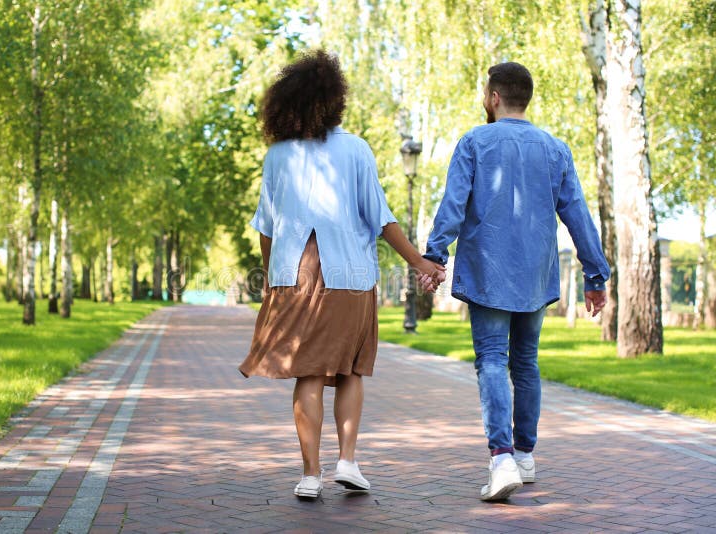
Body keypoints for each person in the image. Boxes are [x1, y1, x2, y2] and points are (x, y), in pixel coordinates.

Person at [239, 50, 445, 499]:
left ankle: (310, 474)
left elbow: (266, 228)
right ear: (335, 99)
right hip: (349, 273)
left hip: (294, 275)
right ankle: (347, 462)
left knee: (308, 373)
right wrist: (419, 262)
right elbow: (381, 218)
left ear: (287, 103)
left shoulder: (277, 156)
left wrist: (272, 283)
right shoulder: (354, 149)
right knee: (351, 370)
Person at [419, 62, 610, 501]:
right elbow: (577, 215)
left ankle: (502, 457)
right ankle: (524, 454)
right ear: (526, 98)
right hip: (535, 273)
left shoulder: (474, 142)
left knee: (491, 358)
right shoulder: (555, 149)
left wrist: (434, 254)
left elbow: (453, 204)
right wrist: (595, 276)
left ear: (492, 97)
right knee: (525, 362)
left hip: (488, 269)